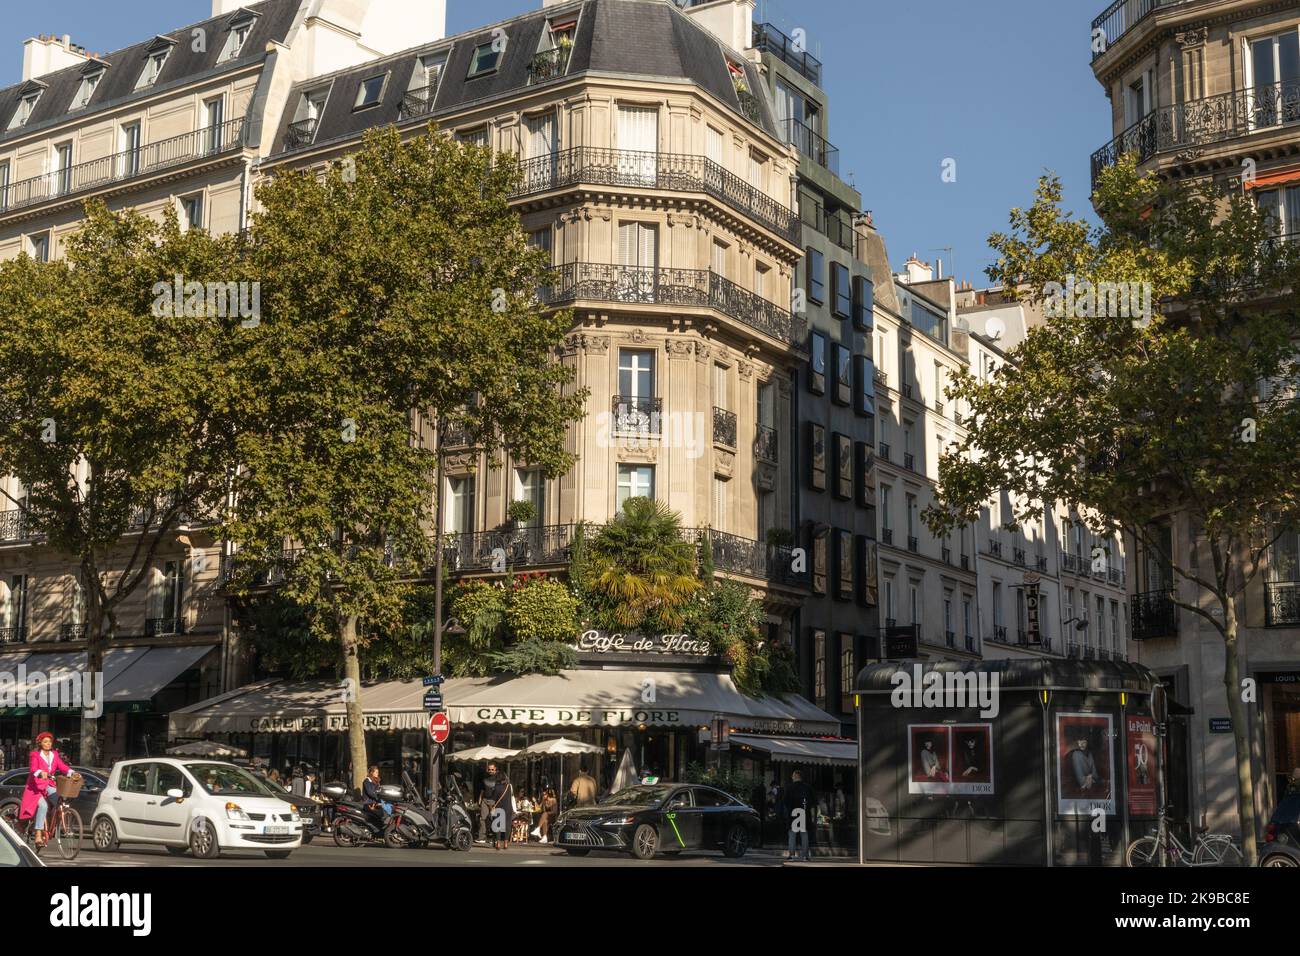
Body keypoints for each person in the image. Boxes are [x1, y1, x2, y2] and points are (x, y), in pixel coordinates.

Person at [19, 732, 77, 846]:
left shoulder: (54, 754)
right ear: (40, 743)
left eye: (50, 742)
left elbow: (62, 766)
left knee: (60, 800)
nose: (48, 744)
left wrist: (72, 772)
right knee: (43, 806)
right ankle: (38, 835)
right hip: (35, 787)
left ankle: (50, 821)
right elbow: (33, 769)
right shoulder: (35, 755)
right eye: (45, 742)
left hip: (49, 784)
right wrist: (40, 772)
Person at [781, 769, 814, 862]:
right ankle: (805, 856)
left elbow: (785, 801)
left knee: (792, 835)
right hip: (804, 813)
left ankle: (792, 855)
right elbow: (812, 801)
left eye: (792, 775)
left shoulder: (789, 787)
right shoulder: (807, 787)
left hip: (793, 814)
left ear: (796, 776)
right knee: (804, 834)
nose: (791, 777)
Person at [478, 762, 513, 849]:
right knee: (505, 824)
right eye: (489, 769)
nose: (490, 771)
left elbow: (496, 796)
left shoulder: (498, 783)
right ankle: (503, 843)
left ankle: (496, 841)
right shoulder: (508, 786)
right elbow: (483, 789)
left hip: (496, 804)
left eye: (492, 769)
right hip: (500, 804)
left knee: (496, 822)